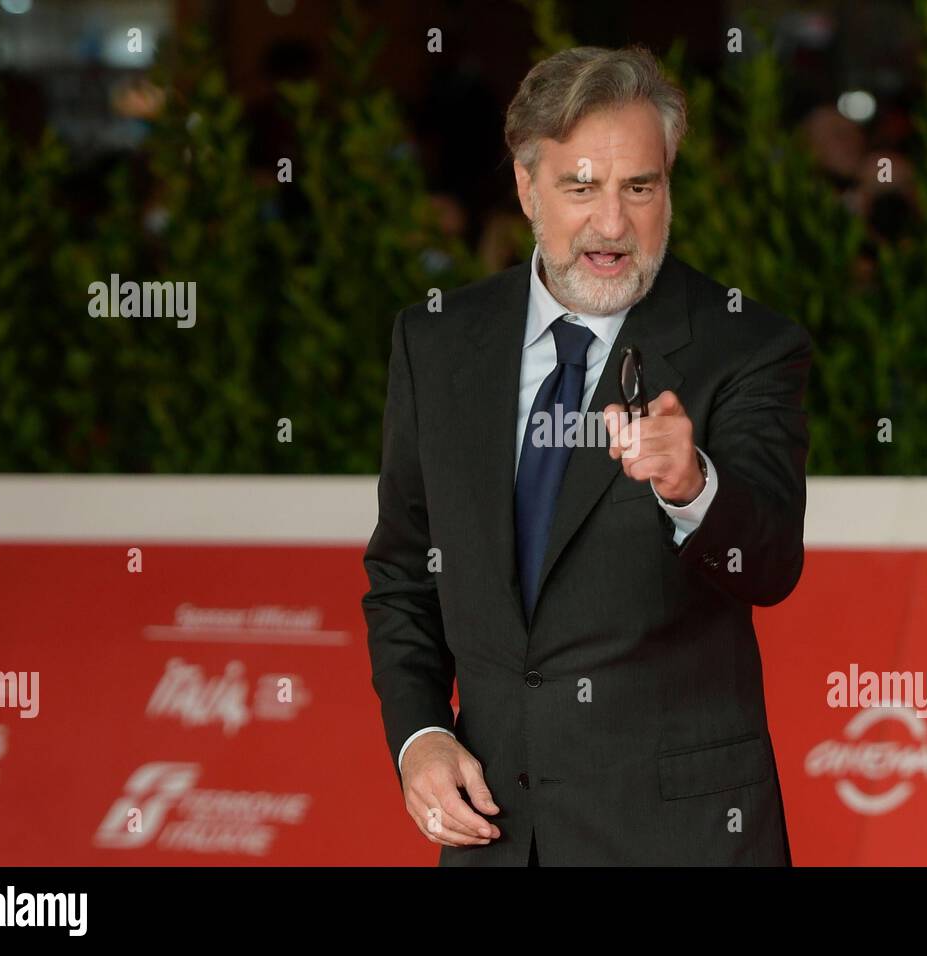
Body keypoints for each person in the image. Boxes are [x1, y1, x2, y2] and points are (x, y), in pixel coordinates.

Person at [362, 45, 811, 866]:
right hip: (498, 834)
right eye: (582, 187)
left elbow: (772, 563)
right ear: (528, 187)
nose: (613, 224)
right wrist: (421, 736)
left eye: (639, 187)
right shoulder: (436, 342)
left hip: (683, 840)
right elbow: (403, 572)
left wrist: (693, 485)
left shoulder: (744, 345)